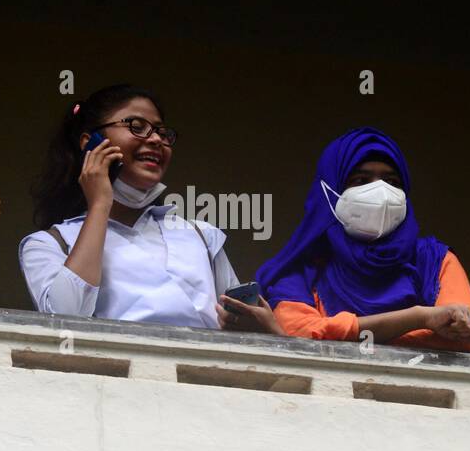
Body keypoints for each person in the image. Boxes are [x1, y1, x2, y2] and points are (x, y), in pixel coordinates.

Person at [20, 84, 281, 333]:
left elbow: (242, 331)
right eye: (137, 126)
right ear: (91, 142)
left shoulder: (201, 235)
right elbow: (65, 323)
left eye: (161, 132)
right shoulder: (48, 244)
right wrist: (100, 204)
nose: (156, 139)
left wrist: (266, 329)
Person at [256, 127, 470, 351]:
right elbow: (299, 335)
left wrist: (343, 334)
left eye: (392, 182)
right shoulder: (302, 269)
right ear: (330, 191)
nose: (380, 191)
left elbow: (466, 338)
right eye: (361, 180)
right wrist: (421, 318)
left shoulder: (435, 261)